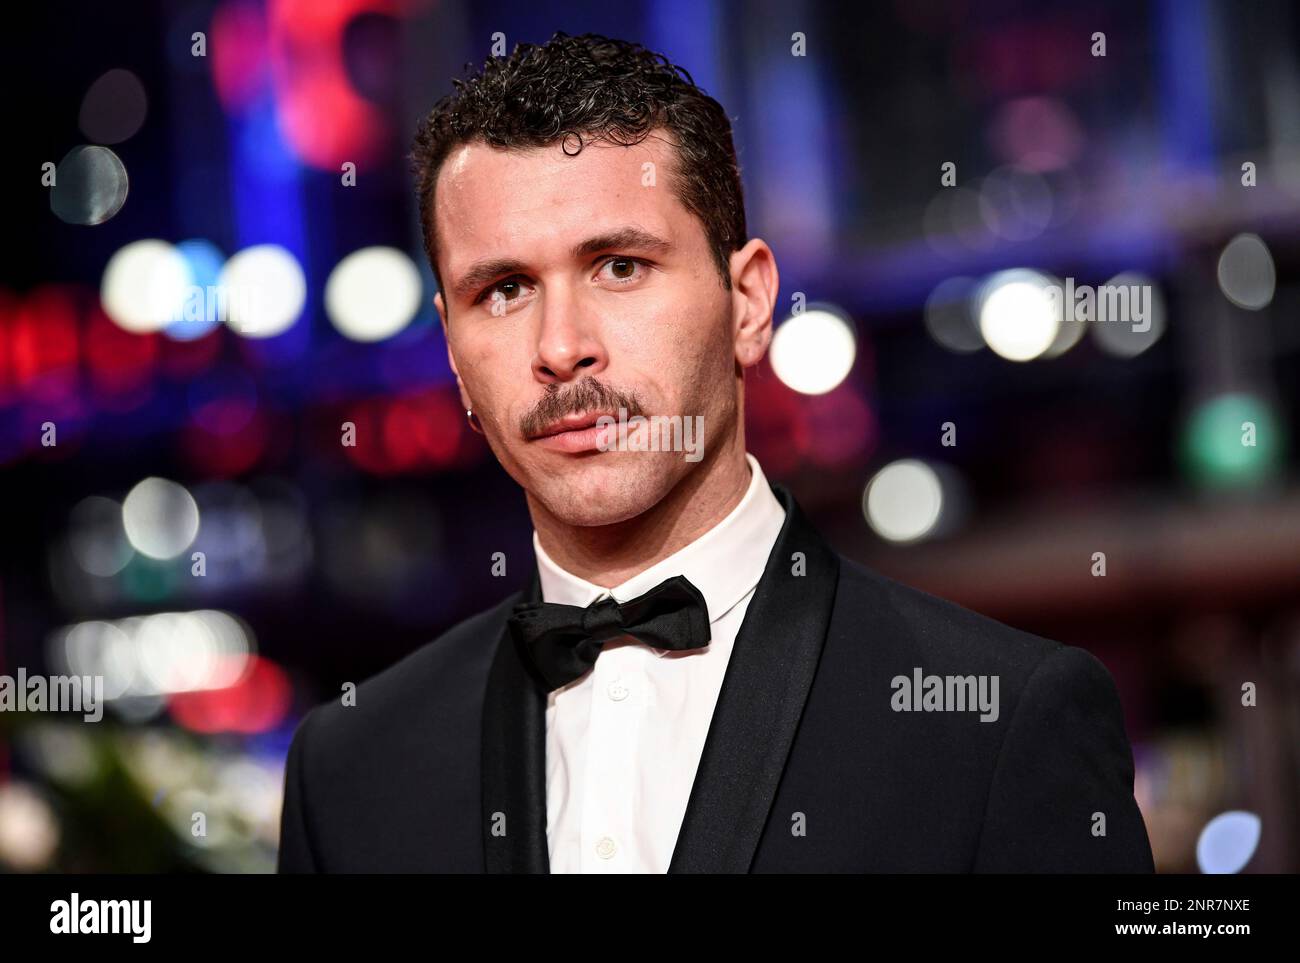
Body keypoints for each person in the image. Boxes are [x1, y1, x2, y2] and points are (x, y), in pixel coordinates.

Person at [277, 32, 1154, 873]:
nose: (561, 345)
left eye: (619, 266)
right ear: (452, 348)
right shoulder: (349, 770)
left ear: (748, 303)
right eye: (504, 290)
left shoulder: (999, 721)